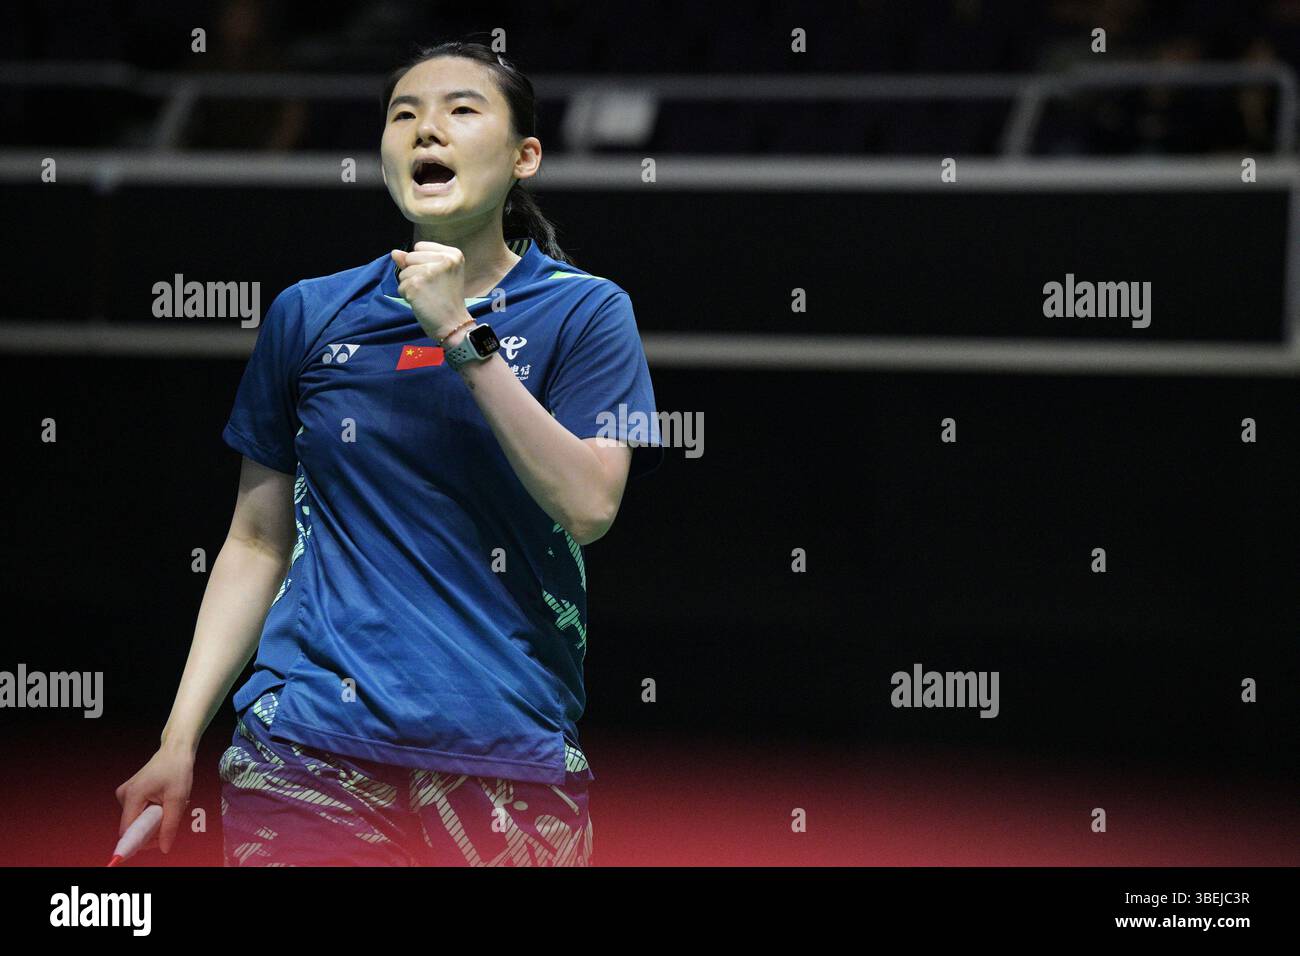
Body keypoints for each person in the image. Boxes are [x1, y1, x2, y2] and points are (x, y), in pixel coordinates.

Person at [114, 39, 663, 866]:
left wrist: (458, 334)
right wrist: (178, 736)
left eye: (459, 110)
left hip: (504, 752)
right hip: (305, 746)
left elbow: (589, 507)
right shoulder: (309, 313)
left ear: (526, 157)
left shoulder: (586, 314)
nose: (424, 130)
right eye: (403, 114)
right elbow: (257, 541)